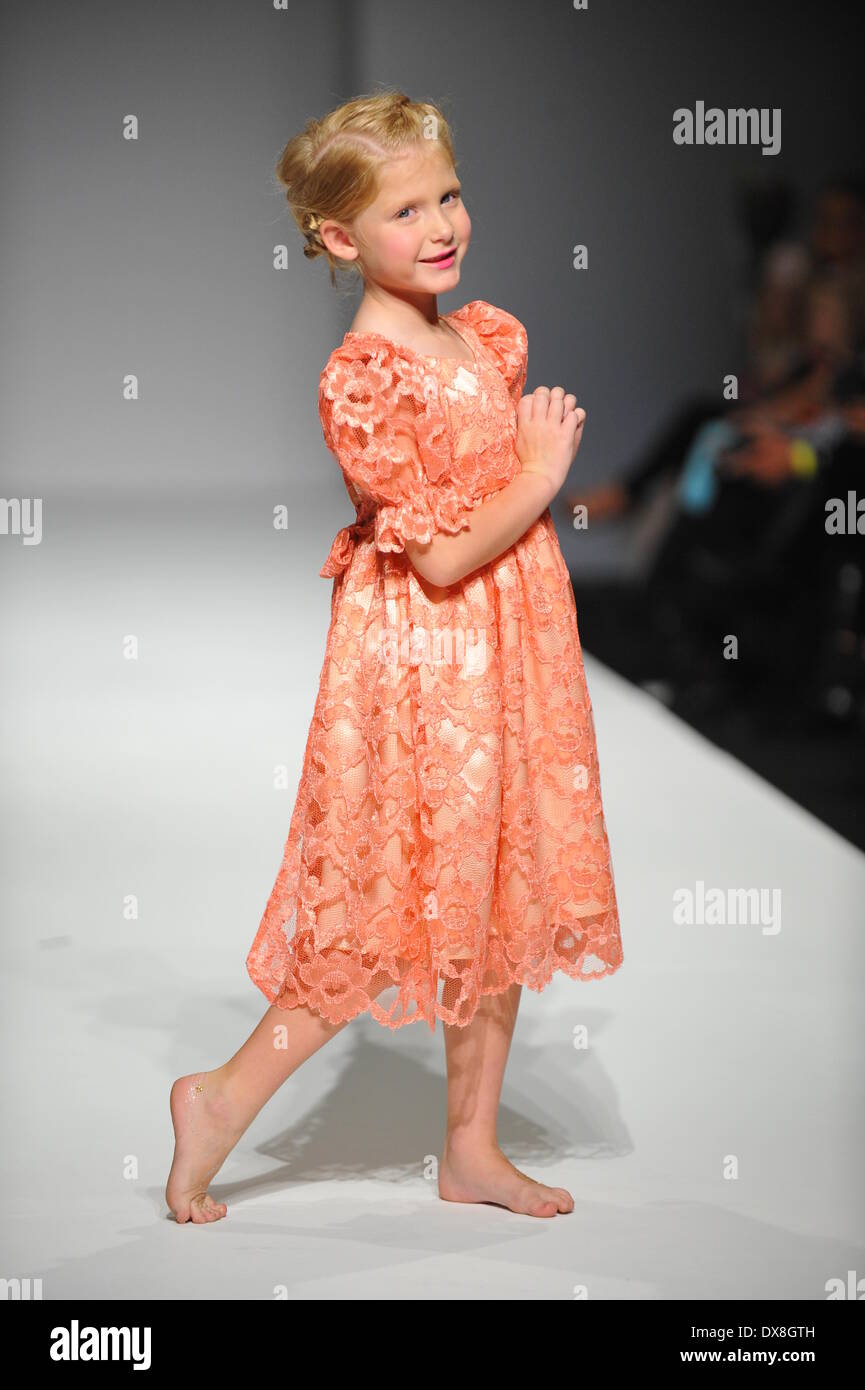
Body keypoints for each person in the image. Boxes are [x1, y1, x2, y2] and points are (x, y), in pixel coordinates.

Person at [166, 90, 623, 1225]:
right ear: (337, 238)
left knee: (500, 890)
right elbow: (439, 556)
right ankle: (220, 1098)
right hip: (425, 670)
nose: (441, 225)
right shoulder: (364, 376)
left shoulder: (484, 337)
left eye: (448, 194)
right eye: (406, 208)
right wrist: (539, 473)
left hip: (507, 652)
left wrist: (523, 471)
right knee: (382, 906)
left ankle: (470, 1145)